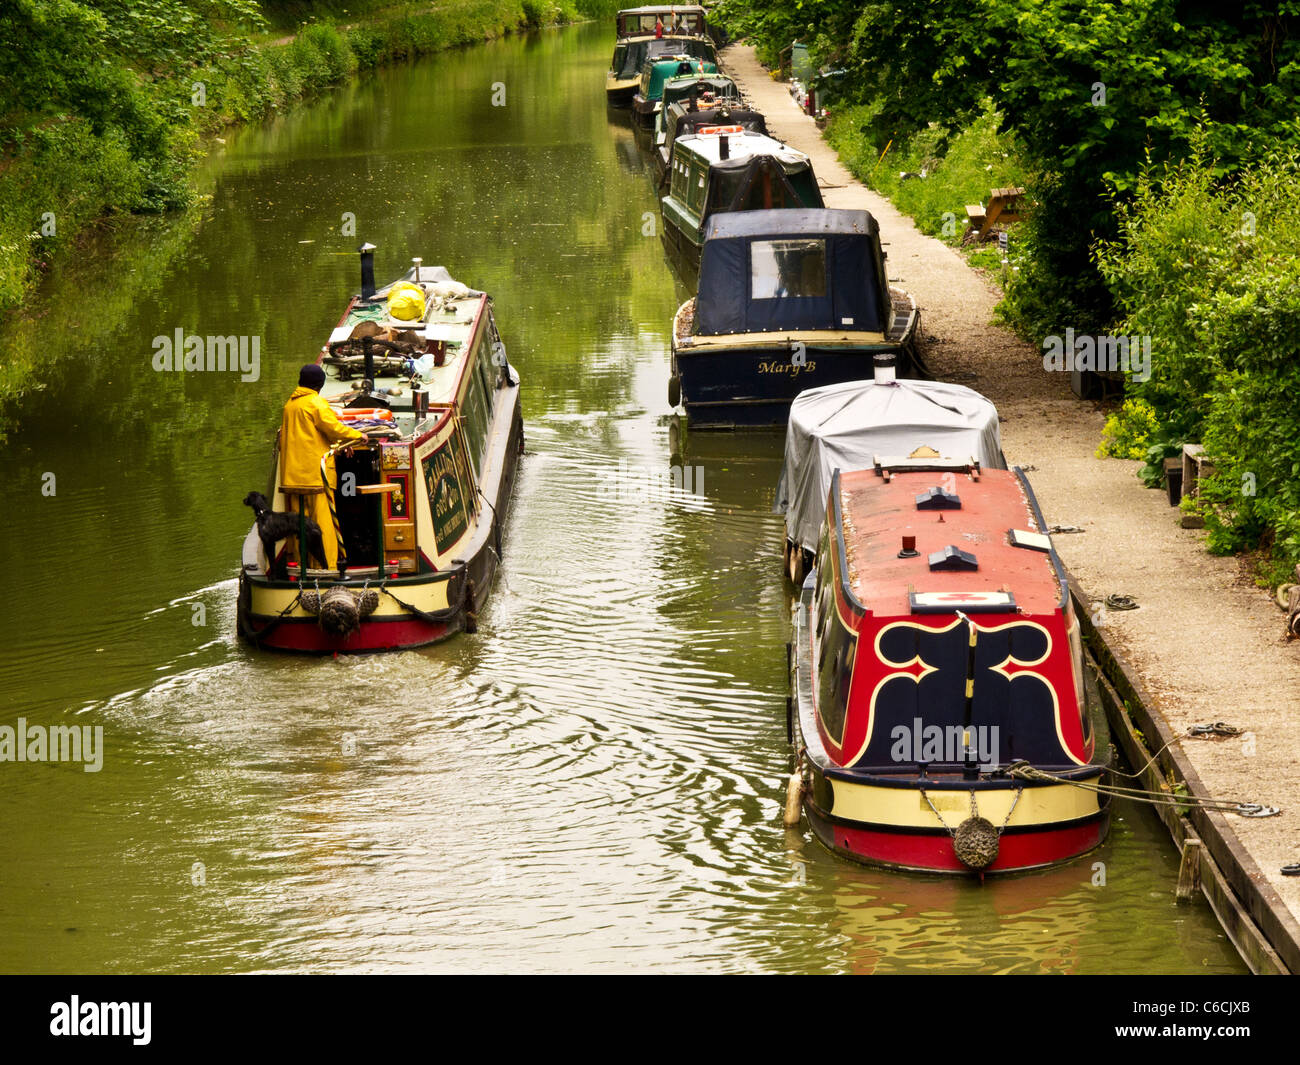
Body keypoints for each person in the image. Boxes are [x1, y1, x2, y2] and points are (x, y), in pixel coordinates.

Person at [279, 363, 363, 571]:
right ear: (320, 384)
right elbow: (332, 427)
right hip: (316, 477)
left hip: (293, 478)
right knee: (324, 526)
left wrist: (338, 446)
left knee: (301, 527)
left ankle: (303, 567)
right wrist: (358, 436)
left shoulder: (290, 405)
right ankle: (329, 568)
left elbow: (310, 436)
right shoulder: (316, 403)